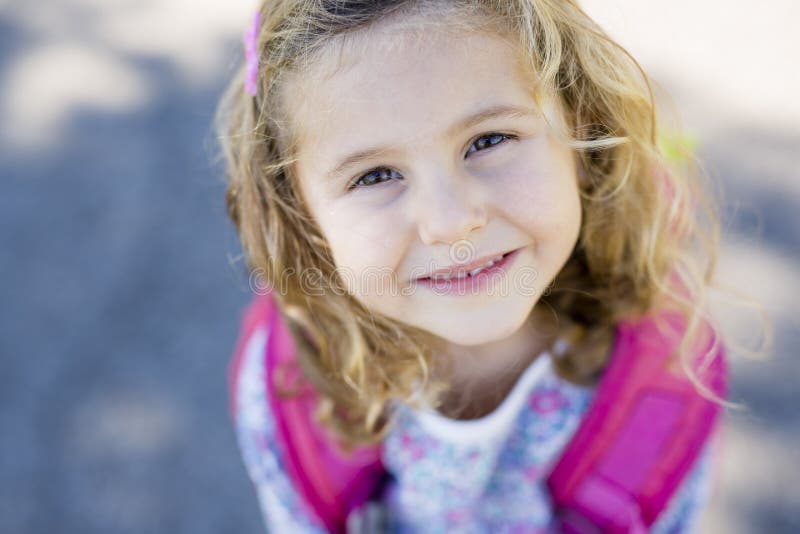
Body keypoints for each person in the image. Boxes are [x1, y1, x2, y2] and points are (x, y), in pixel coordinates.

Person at [214, 1, 732, 531]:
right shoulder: (290, 391)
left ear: (581, 131)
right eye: (374, 176)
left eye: (488, 140)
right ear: (301, 212)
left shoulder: (664, 378)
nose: (451, 222)